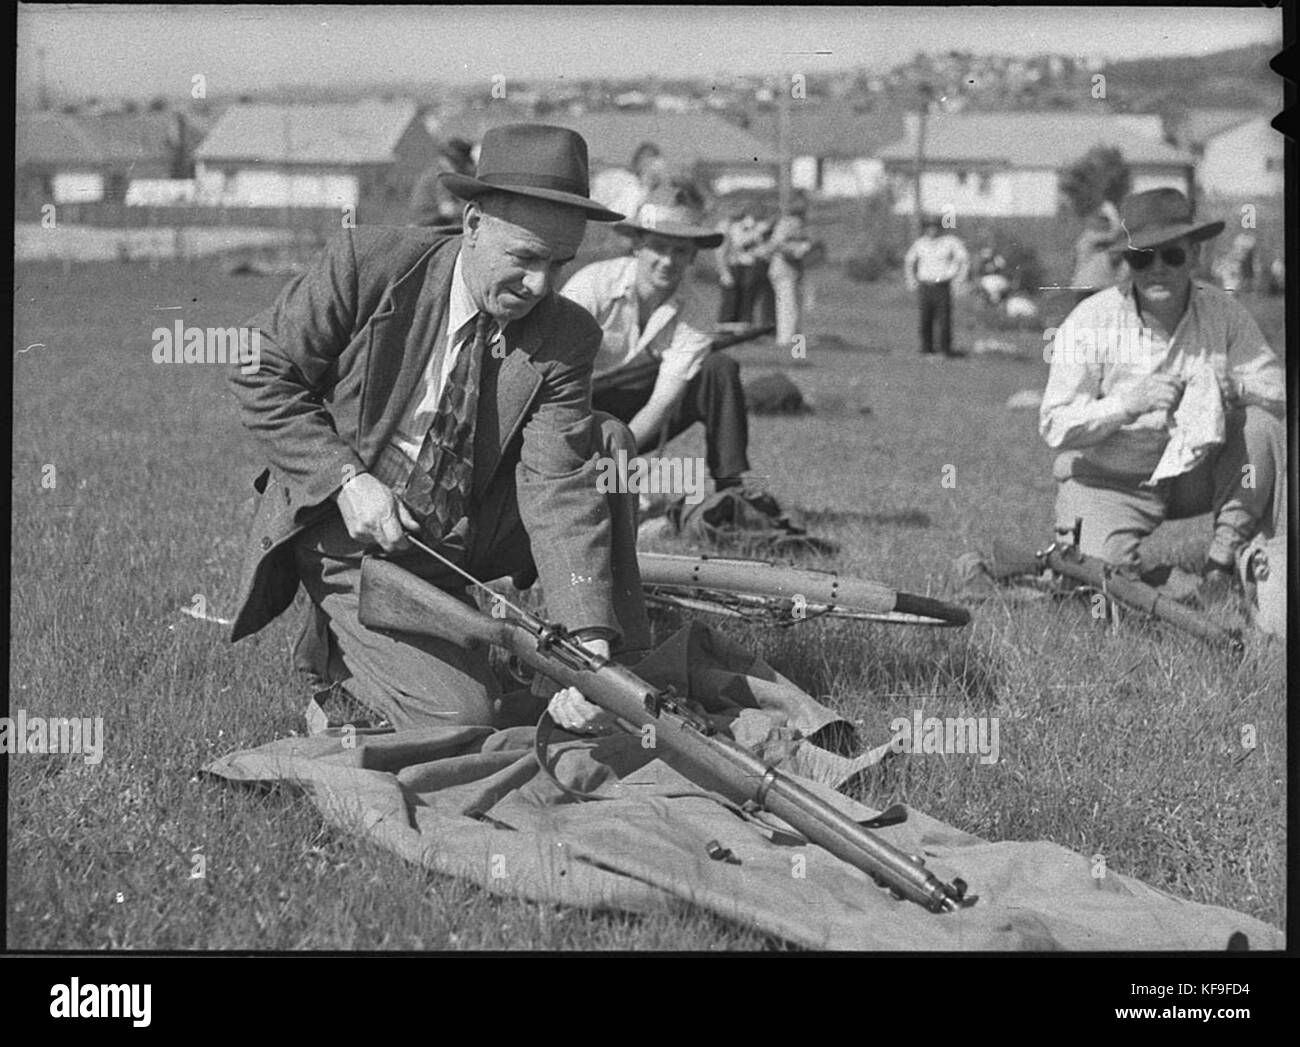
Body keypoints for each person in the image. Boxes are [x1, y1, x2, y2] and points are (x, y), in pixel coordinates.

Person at [228, 124, 650, 734]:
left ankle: (613, 658)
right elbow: (258, 366)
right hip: (354, 533)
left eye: (560, 264)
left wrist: (587, 642)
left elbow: (558, 485)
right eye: (526, 259)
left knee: (605, 442)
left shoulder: (567, 336)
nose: (541, 287)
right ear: (472, 224)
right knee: (466, 716)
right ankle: (337, 653)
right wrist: (348, 482)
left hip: (464, 531)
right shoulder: (368, 265)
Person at [1040, 188, 1285, 598]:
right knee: (1100, 584)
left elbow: (1276, 390)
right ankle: (1175, 589)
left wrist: (1233, 387)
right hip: (1111, 479)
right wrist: (1126, 405)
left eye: (1171, 255)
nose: (1157, 269)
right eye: (1141, 257)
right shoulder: (1091, 320)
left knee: (1261, 428)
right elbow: (1053, 424)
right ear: (1126, 262)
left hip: (1194, 472)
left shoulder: (1222, 311)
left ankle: (1224, 565)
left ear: (1194, 255)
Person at [560, 181, 789, 525]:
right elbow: (555, 382)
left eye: (680, 251)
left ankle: (733, 490)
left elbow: (663, 401)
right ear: (637, 244)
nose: (668, 261)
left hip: (642, 410)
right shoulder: (590, 286)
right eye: (659, 247)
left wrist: (616, 458)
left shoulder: (696, 309)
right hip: (576, 407)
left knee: (718, 367)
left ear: (694, 255)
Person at [903, 216, 969, 357]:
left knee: (944, 320)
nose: (932, 230)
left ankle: (945, 350)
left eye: (935, 227)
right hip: (926, 286)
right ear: (925, 229)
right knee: (925, 319)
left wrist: (959, 279)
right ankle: (927, 349)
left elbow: (963, 260)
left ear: (940, 228)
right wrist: (911, 279)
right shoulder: (920, 244)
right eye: (929, 227)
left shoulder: (949, 242)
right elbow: (909, 261)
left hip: (942, 286)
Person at [761, 204, 815, 349]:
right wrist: (798, 249)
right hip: (783, 270)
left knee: (795, 307)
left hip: (794, 271)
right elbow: (776, 245)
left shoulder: (798, 225)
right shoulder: (786, 224)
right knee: (788, 307)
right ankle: (786, 341)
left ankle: (796, 342)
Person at [407, 137, 476, 227]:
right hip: (426, 225)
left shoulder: (441, 171)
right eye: (460, 163)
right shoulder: (442, 175)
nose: (463, 167)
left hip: (434, 222)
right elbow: (447, 210)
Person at [591, 140, 667, 221]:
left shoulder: (618, 175)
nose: (656, 182)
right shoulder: (630, 188)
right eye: (654, 176)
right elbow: (618, 220)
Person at [716, 207, 766, 325]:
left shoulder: (743, 226)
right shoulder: (725, 226)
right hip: (731, 267)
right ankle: (725, 330)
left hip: (745, 267)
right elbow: (721, 252)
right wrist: (724, 271)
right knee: (730, 301)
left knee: (746, 300)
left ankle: (743, 329)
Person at [1069, 205, 1122, 307]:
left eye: (1104, 219)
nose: (1100, 222)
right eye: (1099, 218)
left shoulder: (1114, 242)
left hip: (1104, 288)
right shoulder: (1087, 238)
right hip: (1086, 288)